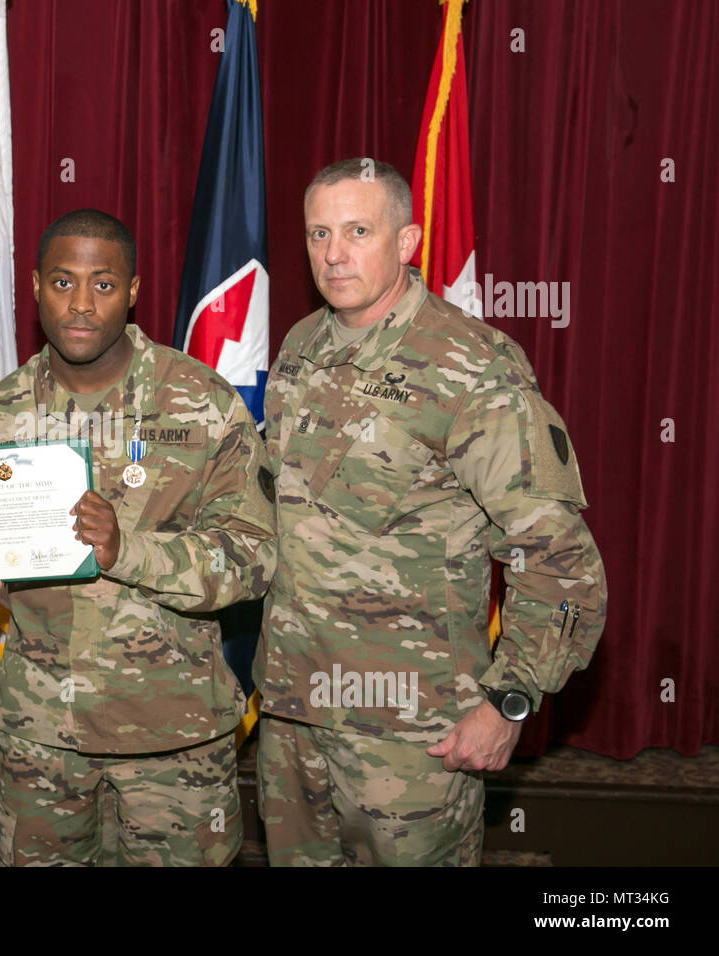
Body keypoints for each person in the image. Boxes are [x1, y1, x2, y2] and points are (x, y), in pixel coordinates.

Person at [255, 158, 608, 866]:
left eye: (358, 230)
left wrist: (511, 700)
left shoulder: (471, 367)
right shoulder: (300, 348)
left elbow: (562, 562)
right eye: (318, 233)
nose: (334, 253)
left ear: (408, 240)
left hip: (412, 731)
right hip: (294, 710)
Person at [0, 209, 277, 866]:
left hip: (174, 743)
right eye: (62, 282)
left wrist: (128, 552)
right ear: (33, 287)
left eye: (104, 284)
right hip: (42, 743)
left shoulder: (201, 403)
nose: (81, 305)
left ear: (135, 290)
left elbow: (253, 560)